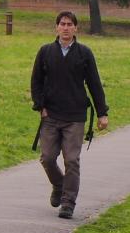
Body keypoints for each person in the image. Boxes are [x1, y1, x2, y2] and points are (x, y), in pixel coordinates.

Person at [30, 11, 109, 219]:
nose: (66, 28)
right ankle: (60, 185)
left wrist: (102, 113)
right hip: (50, 115)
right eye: (62, 24)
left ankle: (68, 202)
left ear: (76, 29)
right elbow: (36, 81)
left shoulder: (84, 54)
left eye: (69, 24)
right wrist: (40, 106)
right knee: (47, 158)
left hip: (75, 116)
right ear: (56, 27)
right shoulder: (46, 52)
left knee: (72, 160)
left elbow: (94, 84)